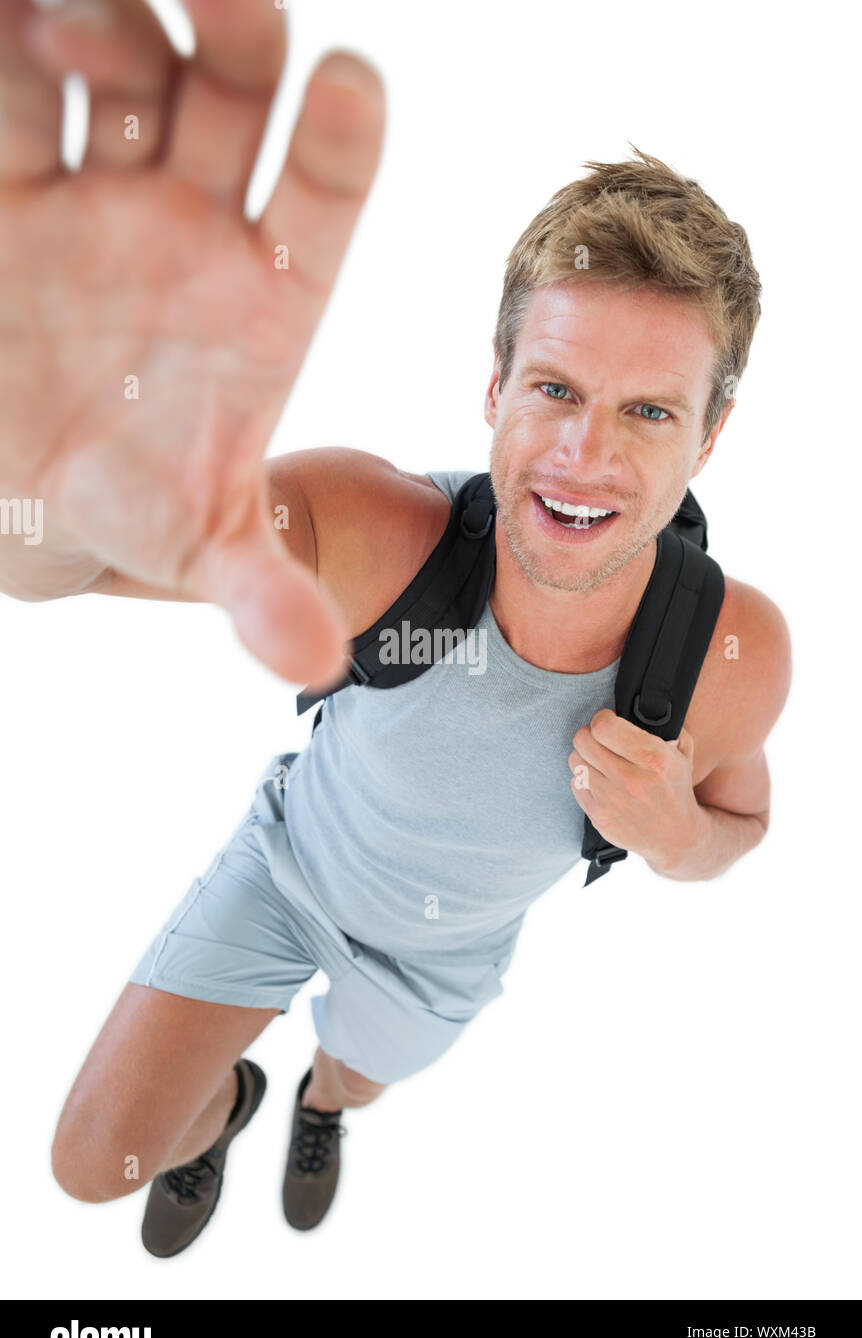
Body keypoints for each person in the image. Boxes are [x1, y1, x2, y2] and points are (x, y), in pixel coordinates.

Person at [0, 1, 791, 1257]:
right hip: (289, 869)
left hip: (443, 963)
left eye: (647, 412)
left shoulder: (729, 653)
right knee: (98, 1164)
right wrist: (45, 458)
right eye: (553, 388)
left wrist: (678, 832)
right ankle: (228, 1108)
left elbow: (738, 833)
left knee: (354, 1076)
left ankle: (314, 1100)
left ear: (707, 439)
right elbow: (59, 568)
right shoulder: (378, 535)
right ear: (492, 387)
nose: (584, 453)